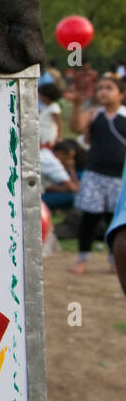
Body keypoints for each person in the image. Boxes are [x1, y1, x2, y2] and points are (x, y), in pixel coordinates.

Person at [67, 73, 126, 275]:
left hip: (120, 177)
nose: (103, 92)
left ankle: (114, 261)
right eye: (100, 88)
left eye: (109, 88)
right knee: (89, 218)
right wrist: (77, 106)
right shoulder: (93, 114)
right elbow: (75, 127)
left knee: (115, 220)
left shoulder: (125, 116)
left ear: (121, 94)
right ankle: (82, 259)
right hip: (95, 174)